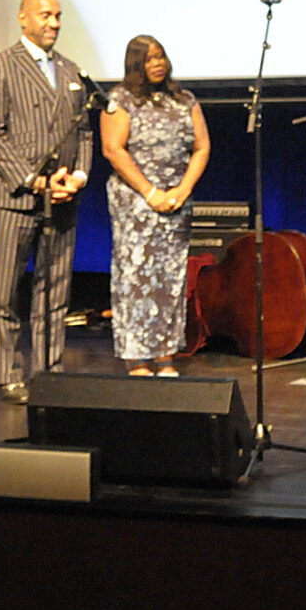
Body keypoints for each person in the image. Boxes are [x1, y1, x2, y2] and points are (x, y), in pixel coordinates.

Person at [0, 0, 94, 402]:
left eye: (59, 16)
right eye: (46, 15)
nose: (55, 23)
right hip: (15, 200)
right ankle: (10, 375)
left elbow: (83, 132)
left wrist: (77, 177)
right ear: (23, 18)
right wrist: (34, 180)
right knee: (5, 294)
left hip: (63, 200)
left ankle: (51, 374)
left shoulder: (72, 71)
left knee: (54, 294)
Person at [100, 35, 210, 376]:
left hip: (176, 202)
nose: (157, 64)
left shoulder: (184, 100)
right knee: (135, 277)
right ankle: (138, 356)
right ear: (135, 65)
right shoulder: (120, 100)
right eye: (149, 59)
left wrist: (182, 189)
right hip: (136, 203)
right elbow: (113, 149)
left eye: (160, 57)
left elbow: (202, 147)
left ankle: (165, 353)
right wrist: (150, 193)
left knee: (171, 278)